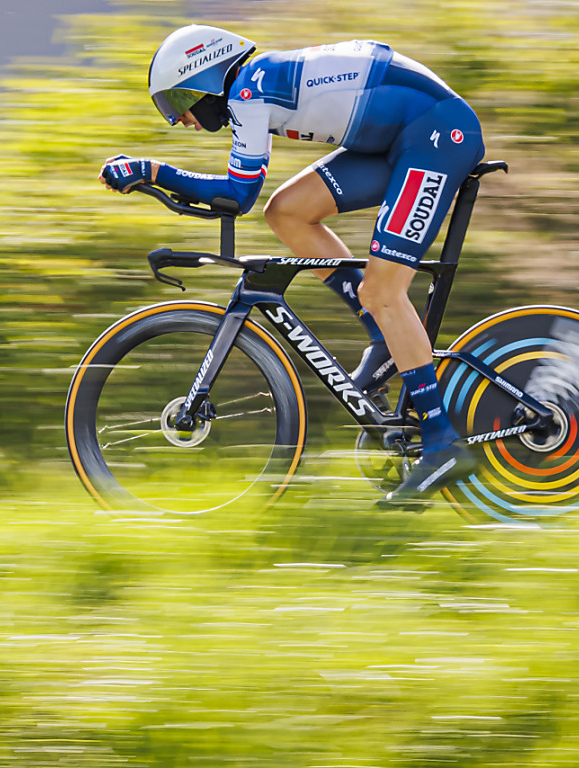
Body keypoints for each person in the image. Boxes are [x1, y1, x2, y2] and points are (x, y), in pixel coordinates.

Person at [99, 25, 484, 508]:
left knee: (384, 291)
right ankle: (385, 336)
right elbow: (248, 199)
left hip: (436, 135)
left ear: (207, 78)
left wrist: (154, 172)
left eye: (179, 102)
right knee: (286, 212)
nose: (180, 119)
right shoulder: (251, 86)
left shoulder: (249, 89)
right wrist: (156, 178)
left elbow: (237, 194)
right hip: (397, 139)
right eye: (168, 110)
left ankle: (442, 442)